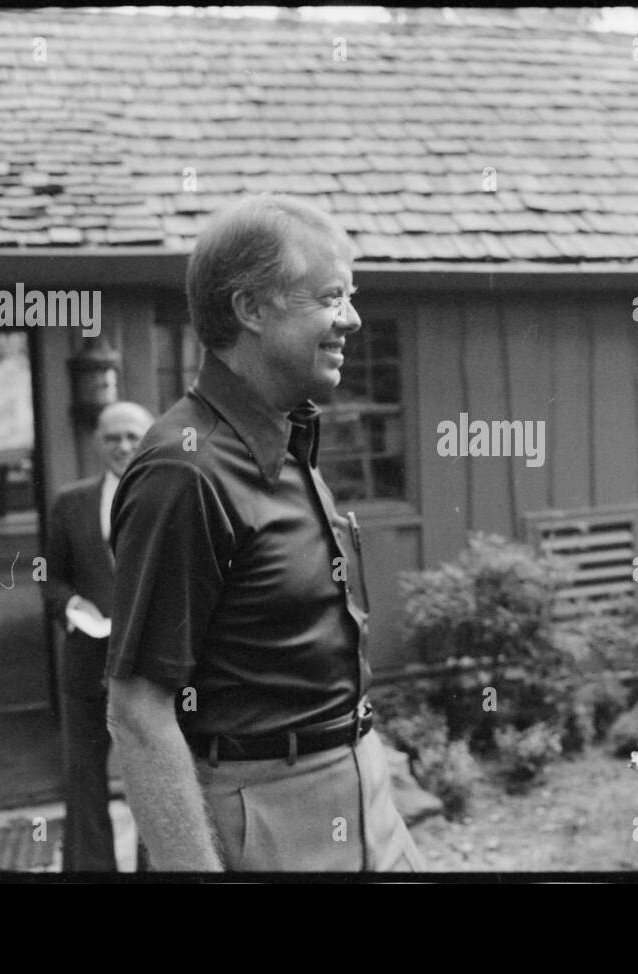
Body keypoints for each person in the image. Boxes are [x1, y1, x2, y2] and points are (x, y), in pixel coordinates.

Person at [106, 194, 424, 871]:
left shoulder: (289, 437)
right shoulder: (185, 470)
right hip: (270, 822)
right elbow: (137, 712)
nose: (353, 317)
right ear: (251, 310)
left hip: (365, 796)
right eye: (330, 297)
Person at [44, 400, 154, 871]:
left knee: (156, 780)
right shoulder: (71, 501)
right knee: (84, 777)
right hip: (87, 661)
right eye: (112, 438)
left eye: (132, 436)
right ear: (97, 443)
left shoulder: (173, 495)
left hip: (152, 667)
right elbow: (50, 578)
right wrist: (71, 605)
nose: (122, 446)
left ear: (149, 440)